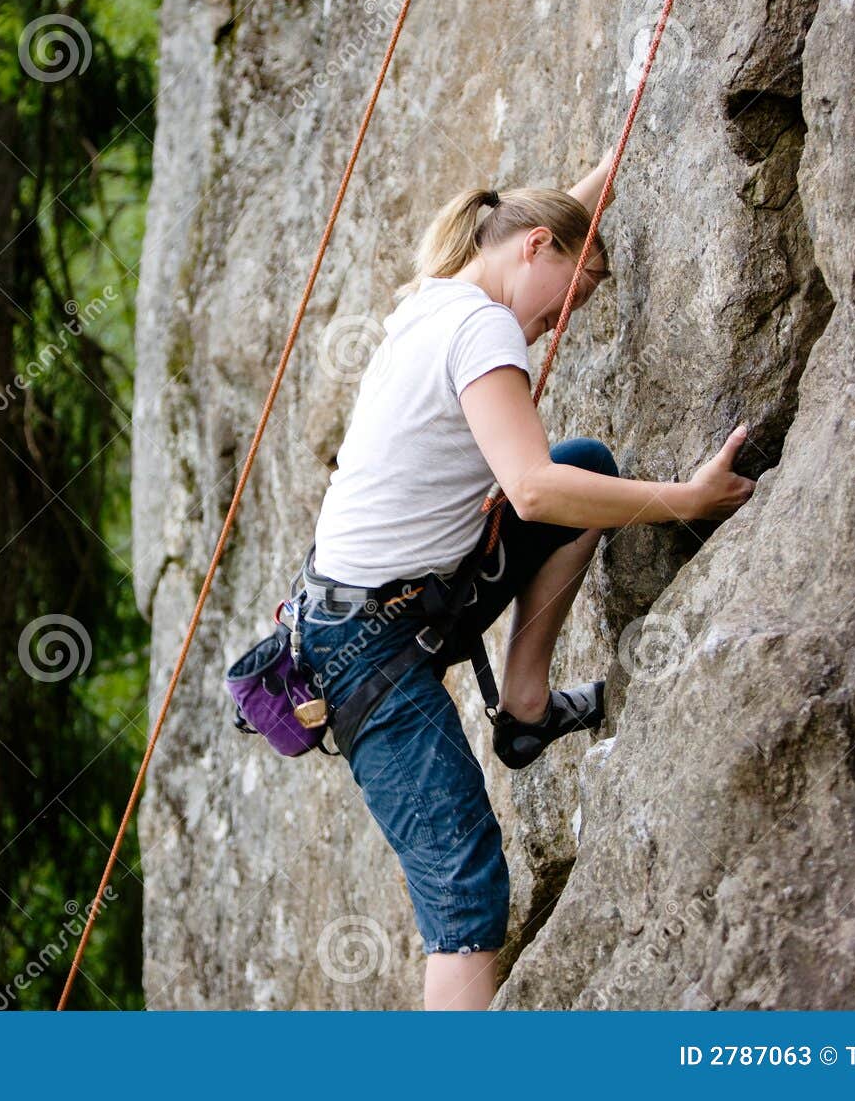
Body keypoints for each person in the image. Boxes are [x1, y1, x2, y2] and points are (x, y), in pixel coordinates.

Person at [297, 152, 755, 1010]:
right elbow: (533, 486)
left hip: (385, 606)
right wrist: (684, 498)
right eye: (571, 299)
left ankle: (528, 707)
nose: (558, 324)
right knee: (464, 897)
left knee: (592, 469)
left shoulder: (436, 298)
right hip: (369, 654)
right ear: (534, 248)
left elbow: (547, 229)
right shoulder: (483, 327)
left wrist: (612, 168)